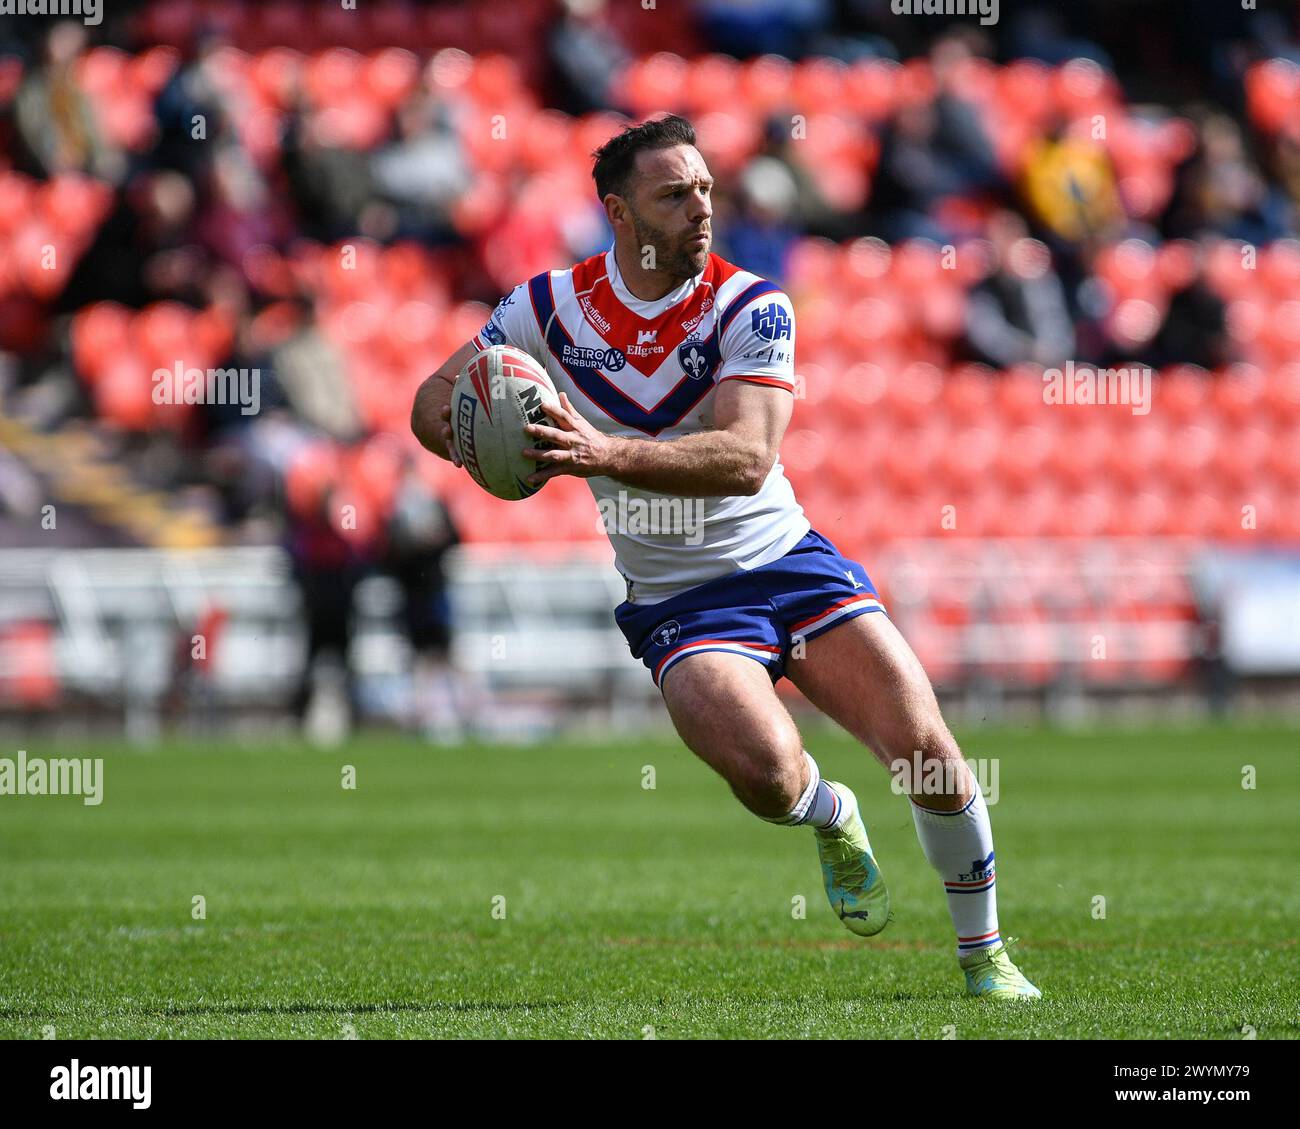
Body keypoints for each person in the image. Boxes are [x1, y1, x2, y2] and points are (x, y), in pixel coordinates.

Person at [411, 115, 1039, 1000]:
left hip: (788, 563)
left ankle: (986, 958)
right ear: (620, 215)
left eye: (705, 187)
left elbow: (746, 461)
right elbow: (430, 406)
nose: (700, 207)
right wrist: (486, 438)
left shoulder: (753, 305)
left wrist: (598, 452)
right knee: (768, 774)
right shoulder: (542, 310)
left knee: (928, 753)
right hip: (679, 601)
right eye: (674, 194)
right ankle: (832, 813)